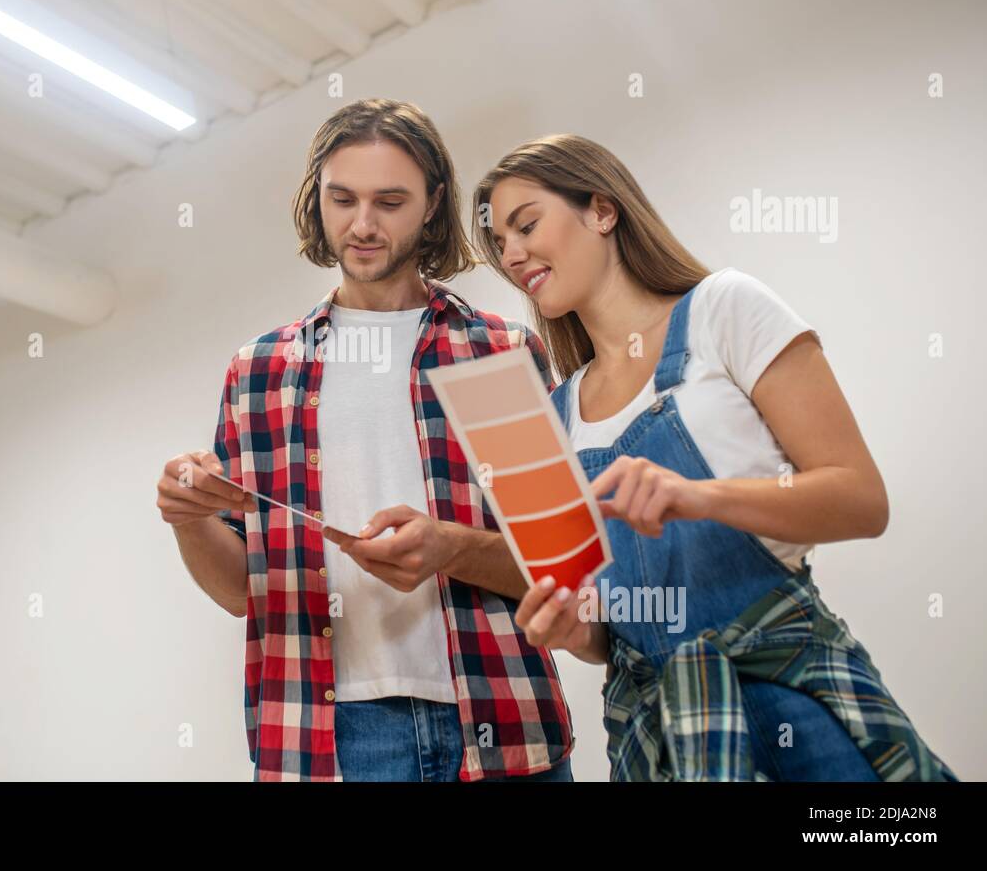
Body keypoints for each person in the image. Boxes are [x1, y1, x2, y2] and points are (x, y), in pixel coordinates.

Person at [473, 132, 955, 781]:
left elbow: (862, 501)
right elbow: (601, 631)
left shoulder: (726, 309)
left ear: (602, 210)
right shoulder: (547, 421)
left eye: (526, 225)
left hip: (798, 709)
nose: (513, 254)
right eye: (500, 244)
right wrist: (569, 629)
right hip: (663, 743)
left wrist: (703, 497)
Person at [155, 100, 574, 781]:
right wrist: (190, 517)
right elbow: (240, 592)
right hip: (329, 740)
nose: (363, 225)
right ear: (316, 199)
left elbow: (559, 566)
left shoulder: (494, 352)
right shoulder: (261, 373)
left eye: (390, 201)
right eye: (342, 199)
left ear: (434, 204)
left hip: (501, 719)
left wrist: (450, 548)